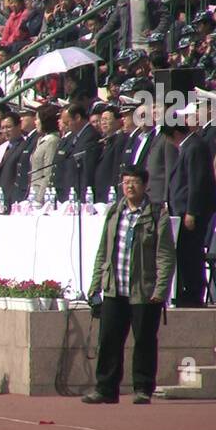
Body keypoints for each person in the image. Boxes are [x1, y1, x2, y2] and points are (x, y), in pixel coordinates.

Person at [83, 165, 175, 405]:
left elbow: (165, 255)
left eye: (134, 182)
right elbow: (103, 251)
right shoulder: (115, 212)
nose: (129, 187)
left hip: (144, 291)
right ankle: (106, 388)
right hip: (115, 287)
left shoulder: (156, 214)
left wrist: (161, 289)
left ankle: (143, 388)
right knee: (109, 340)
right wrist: (95, 285)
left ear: (144, 186)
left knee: (144, 340)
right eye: (125, 182)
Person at [163, 113, 216, 307]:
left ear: (174, 133)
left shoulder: (195, 147)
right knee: (184, 252)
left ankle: (193, 293)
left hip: (193, 212)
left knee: (191, 253)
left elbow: (196, 182)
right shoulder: (188, 147)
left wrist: (192, 211)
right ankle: (185, 289)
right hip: (182, 211)